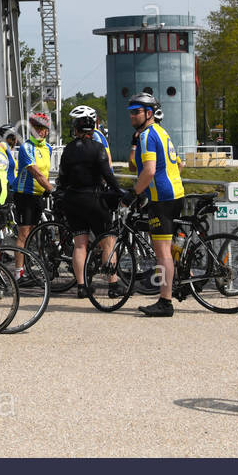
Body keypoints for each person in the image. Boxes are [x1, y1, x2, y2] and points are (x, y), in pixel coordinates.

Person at [59, 107, 128, 298]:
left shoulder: (68, 149)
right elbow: (108, 175)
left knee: (80, 244)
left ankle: (82, 287)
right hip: (95, 200)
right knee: (108, 242)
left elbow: (62, 179)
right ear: (92, 128)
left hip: (73, 200)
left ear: (76, 128)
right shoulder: (98, 148)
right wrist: (120, 191)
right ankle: (113, 286)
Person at [127, 92, 184, 317]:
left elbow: (149, 170)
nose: (132, 116)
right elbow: (179, 165)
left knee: (162, 254)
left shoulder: (146, 135)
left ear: (149, 113)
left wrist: (134, 193)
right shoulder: (162, 132)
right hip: (174, 194)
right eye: (130, 112)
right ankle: (169, 290)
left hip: (161, 200)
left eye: (136, 112)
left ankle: (165, 301)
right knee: (167, 250)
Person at [13, 113, 54, 279]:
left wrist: (47, 189)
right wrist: (52, 189)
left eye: (42, 128)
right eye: (36, 128)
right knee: (24, 234)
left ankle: (30, 269)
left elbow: (45, 172)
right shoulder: (26, 147)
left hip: (39, 195)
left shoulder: (48, 148)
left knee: (35, 234)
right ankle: (18, 274)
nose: (39, 131)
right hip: (25, 195)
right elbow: (36, 173)